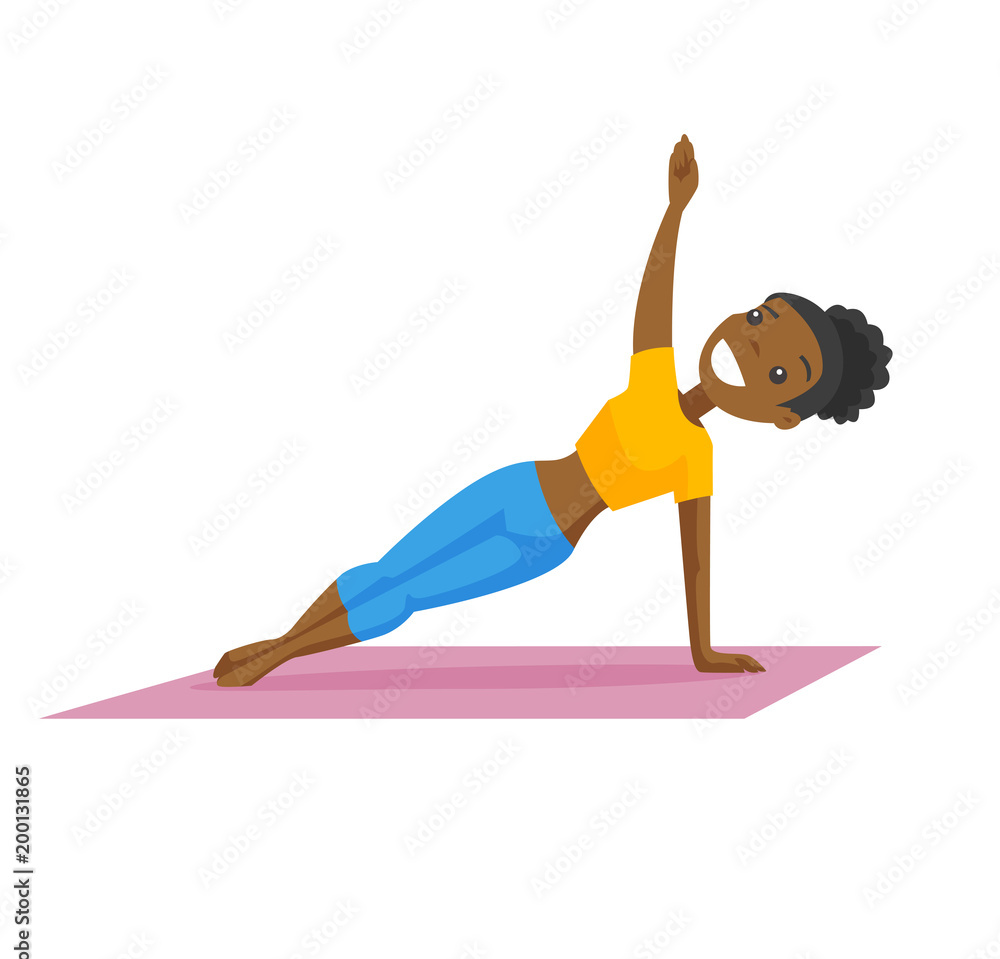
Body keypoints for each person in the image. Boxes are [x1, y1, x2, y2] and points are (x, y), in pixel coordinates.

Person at [214, 134, 891, 687]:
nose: (747, 344)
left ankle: (277, 657)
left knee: (411, 595)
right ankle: (281, 644)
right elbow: (656, 295)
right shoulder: (655, 380)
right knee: (389, 569)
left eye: (777, 370)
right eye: (757, 318)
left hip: (539, 540)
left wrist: (703, 650)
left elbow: (694, 560)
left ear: (782, 417)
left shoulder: (697, 456)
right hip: (518, 485)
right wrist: (675, 208)